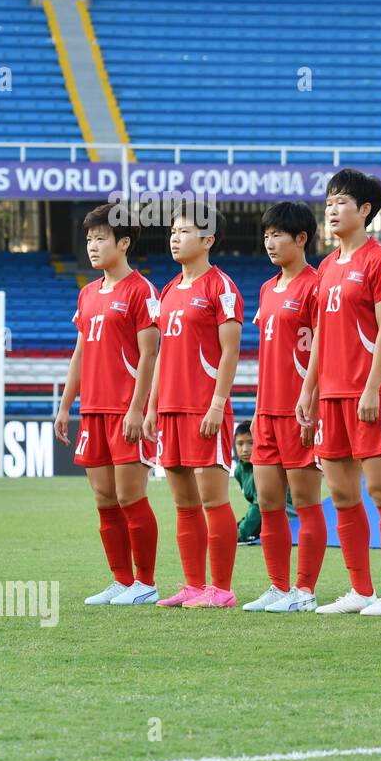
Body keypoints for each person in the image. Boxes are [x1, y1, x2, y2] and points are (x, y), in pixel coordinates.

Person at [296, 169, 381, 616]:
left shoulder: (379, 260)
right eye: (328, 202)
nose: (332, 209)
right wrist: (309, 389)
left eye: (341, 201)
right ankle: (361, 590)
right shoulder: (326, 266)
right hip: (331, 397)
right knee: (343, 496)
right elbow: (322, 334)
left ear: (364, 210)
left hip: (370, 395)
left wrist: (370, 388)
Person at [55, 202, 161, 606]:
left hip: (124, 410)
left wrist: (138, 408)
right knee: (104, 498)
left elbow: (150, 355)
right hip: (93, 410)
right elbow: (80, 353)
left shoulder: (142, 291)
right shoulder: (87, 294)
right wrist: (66, 405)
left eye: (101, 238)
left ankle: (145, 582)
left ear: (124, 242)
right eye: (89, 239)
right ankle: (120, 580)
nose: (93, 246)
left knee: (131, 497)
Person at [144, 200, 244, 609]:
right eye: (172, 231)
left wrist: (218, 404)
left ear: (207, 240)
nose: (174, 238)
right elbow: (162, 355)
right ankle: (192, 585)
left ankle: (221, 589)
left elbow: (230, 352)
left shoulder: (221, 287)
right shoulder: (167, 291)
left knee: (212, 499)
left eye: (183, 232)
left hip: (204, 408)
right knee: (183, 502)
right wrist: (151, 407)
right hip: (169, 408)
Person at [242, 201, 328, 613]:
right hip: (266, 411)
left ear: (301, 239)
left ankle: (305, 591)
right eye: (266, 235)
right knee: (269, 502)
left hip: (301, 411)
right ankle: (278, 587)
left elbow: (324, 350)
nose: (270, 242)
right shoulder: (266, 288)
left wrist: (312, 403)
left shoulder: (316, 285)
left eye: (278, 234)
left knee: (308, 503)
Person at [232, 420, 260, 546]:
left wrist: (241, 533)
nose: (245, 449)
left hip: (290, 515)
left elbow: (258, 506)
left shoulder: (262, 469)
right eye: (240, 444)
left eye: (250, 443)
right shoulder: (239, 470)